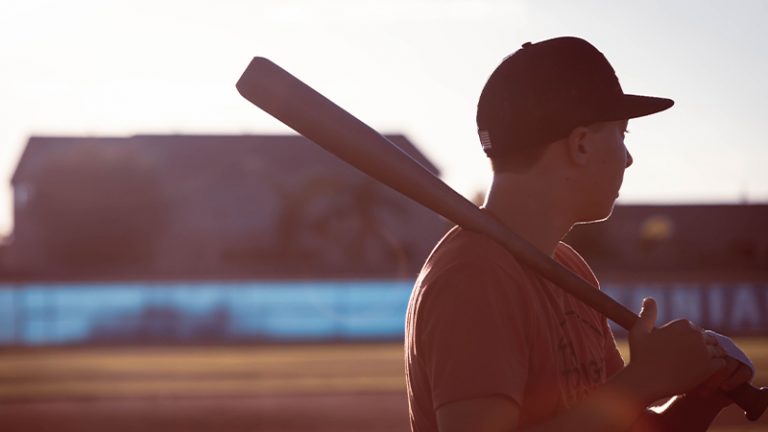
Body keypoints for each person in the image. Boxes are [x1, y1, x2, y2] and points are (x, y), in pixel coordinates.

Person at [404, 36, 752, 432]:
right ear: (581, 145)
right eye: (622, 135)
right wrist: (642, 382)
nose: (628, 157)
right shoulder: (474, 275)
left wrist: (697, 401)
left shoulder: (569, 268)